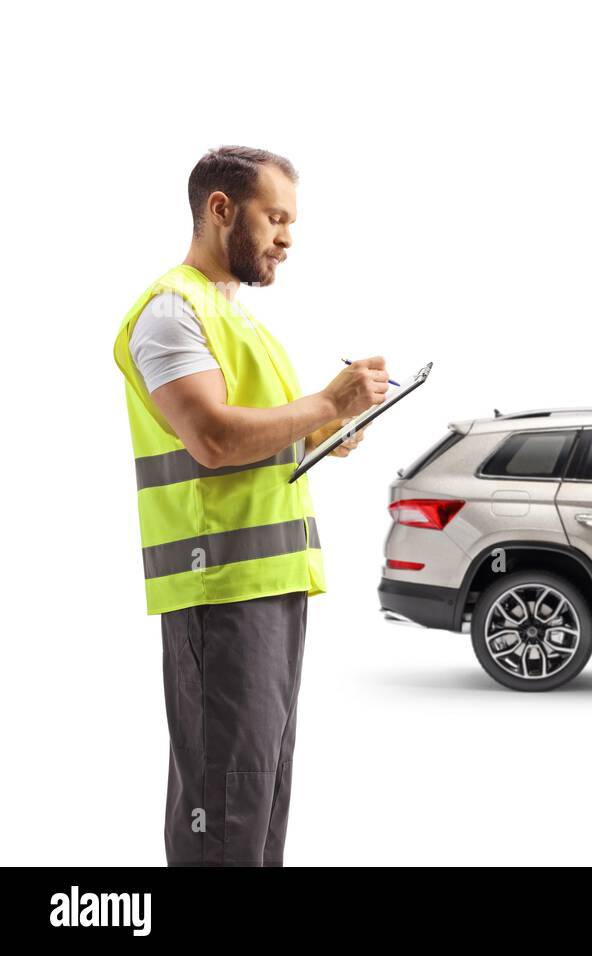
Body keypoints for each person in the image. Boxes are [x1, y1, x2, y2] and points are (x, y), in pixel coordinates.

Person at [111, 145, 390, 864]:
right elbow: (210, 437)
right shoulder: (173, 312)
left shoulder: (237, 320)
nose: (288, 238)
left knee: (256, 799)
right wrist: (325, 401)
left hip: (268, 586)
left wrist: (319, 430)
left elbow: (257, 439)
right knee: (227, 803)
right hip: (222, 587)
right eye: (276, 218)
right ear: (221, 209)